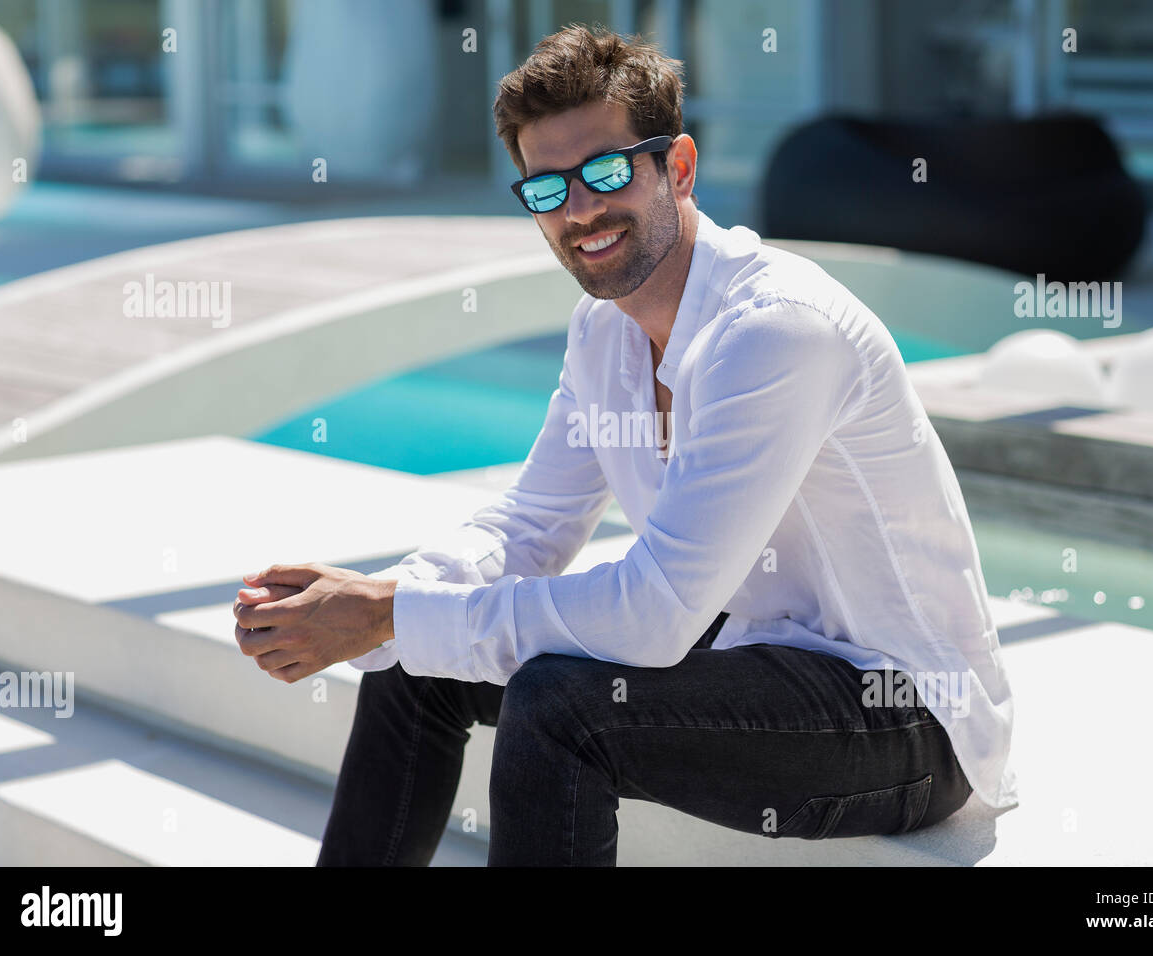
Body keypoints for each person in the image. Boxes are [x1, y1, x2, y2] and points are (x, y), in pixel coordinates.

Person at [232, 24, 1018, 867]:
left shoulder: (776, 331)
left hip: (902, 714)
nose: (579, 211)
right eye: (546, 190)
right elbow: (530, 525)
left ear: (676, 168)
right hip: (749, 656)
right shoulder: (602, 331)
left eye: (606, 173)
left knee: (557, 706)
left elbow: (654, 614)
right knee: (410, 665)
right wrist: (384, 599)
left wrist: (387, 613)